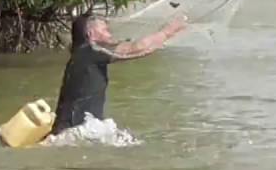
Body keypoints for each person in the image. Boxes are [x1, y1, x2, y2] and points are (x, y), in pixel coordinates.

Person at [49, 11, 187, 137]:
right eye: (105, 30)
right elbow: (137, 48)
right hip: (76, 132)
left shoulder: (82, 54)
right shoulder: (91, 50)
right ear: (91, 34)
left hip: (76, 130)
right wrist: (169, 31)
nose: (110, 35)